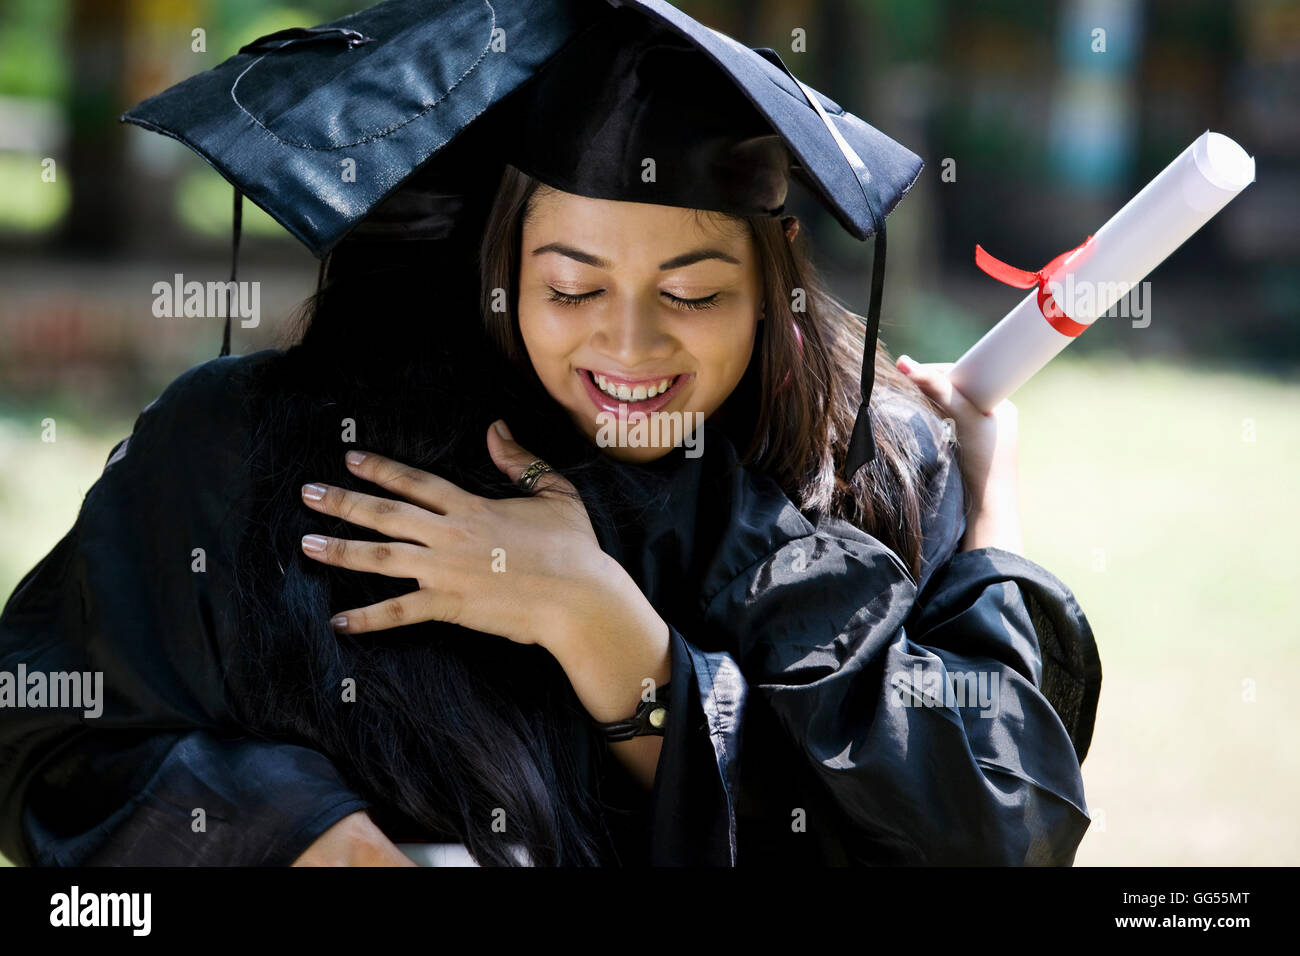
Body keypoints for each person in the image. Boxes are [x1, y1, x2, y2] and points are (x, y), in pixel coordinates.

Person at [0, 0, 1099, 866]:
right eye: (572, 290)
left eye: (694, 293)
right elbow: (45, 726)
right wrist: (296, 835)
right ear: (504, 269)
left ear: (773, 288)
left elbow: (988, 826)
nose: (630, 348)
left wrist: (609, 632)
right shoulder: (252, 454)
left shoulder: (853, 486)